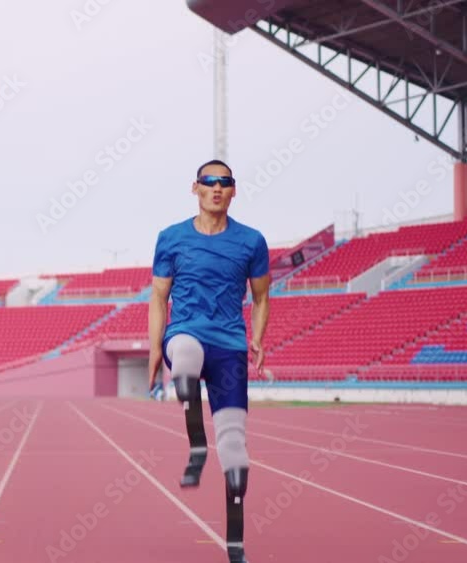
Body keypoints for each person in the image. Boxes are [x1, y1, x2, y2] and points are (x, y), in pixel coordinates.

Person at [148, 159, 270, 563]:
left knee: (236, 453)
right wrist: (153, 350)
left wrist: (257, 338)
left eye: (225, 182)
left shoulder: (252, 241)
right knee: (183, 360)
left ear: (234, 191)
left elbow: (261, 297)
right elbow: (158, 298)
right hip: (185, 331)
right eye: (209, 181)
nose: (217, 188)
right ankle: (196, 445)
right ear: (195, 188)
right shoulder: (171, 238)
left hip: (230, 347)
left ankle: (235, 543)